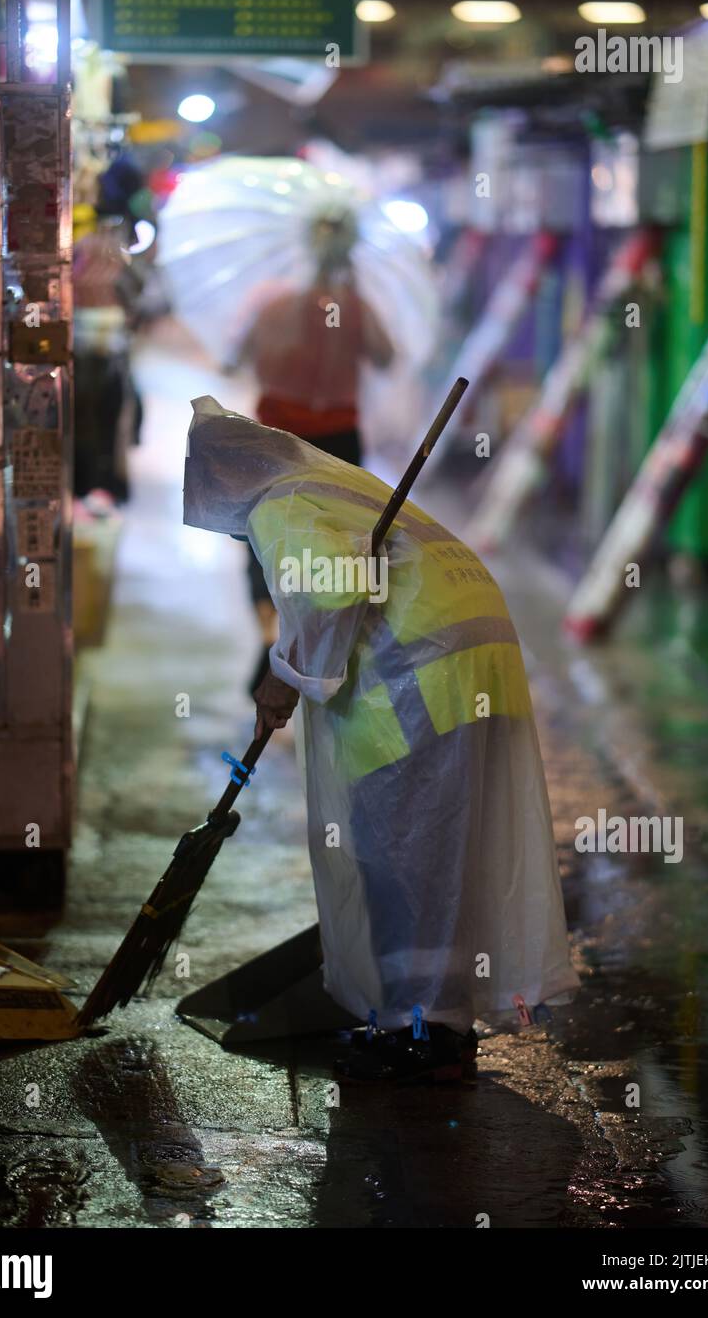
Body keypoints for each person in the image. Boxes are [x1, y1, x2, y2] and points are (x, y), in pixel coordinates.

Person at [183, 396, 580, 1083]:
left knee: (398, 855)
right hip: (475, 651)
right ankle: (440, 1021)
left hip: (420, 672)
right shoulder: (339, 486)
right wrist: (292, 667)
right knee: (436, 853)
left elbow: (329, 594)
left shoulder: (279, 505)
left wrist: (285, 674)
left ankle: (416, 1028)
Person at [225, 206, 395, 692]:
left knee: (263, 538)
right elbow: (386, 358)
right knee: (332, 546)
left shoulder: (270, 302)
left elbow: (234, 356)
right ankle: (317, 645)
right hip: (339, 443)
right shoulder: (356, 308)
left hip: (278, 441)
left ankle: (269, 631)